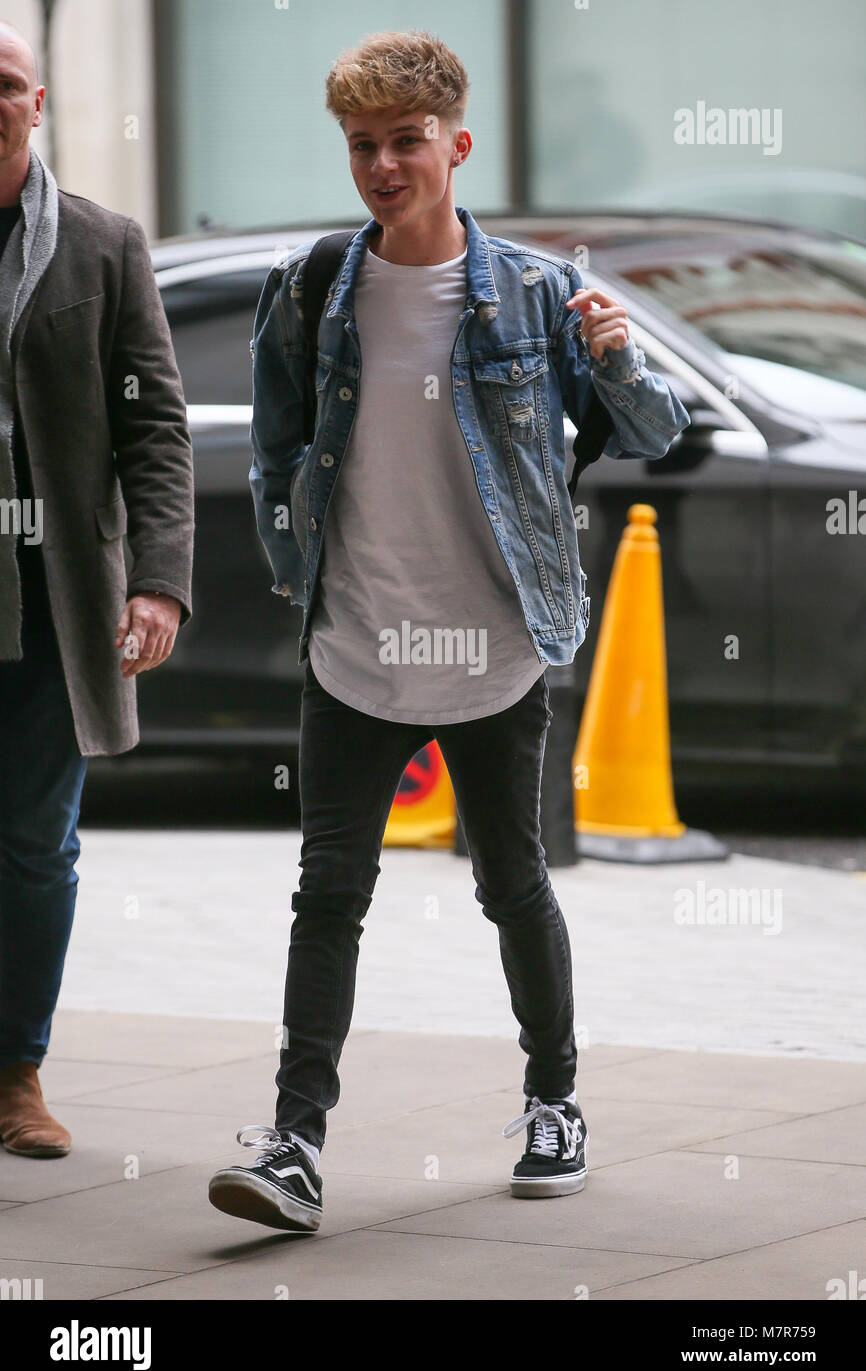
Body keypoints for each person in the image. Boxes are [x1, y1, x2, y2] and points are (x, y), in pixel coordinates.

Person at [209, 29, 688, 1231]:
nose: (382, 165)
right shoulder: (315, 285)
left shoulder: (530, 290)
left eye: (406, 142)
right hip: (355, 648)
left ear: (455, 144)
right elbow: (276, 449)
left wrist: (617, 358)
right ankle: (295, 1144)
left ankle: (554, 1101)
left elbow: (653, 431)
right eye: (363, 146)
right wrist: (301, 577)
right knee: (329, 894)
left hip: (496, 650)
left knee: (512, 884)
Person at [0, 22, 194, 1157]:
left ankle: (16, 1071)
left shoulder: (103, 244)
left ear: (39, 104)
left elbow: (154, 427)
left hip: (54, 598)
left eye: (6, 84)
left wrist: (158, 583)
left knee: (32, 847)